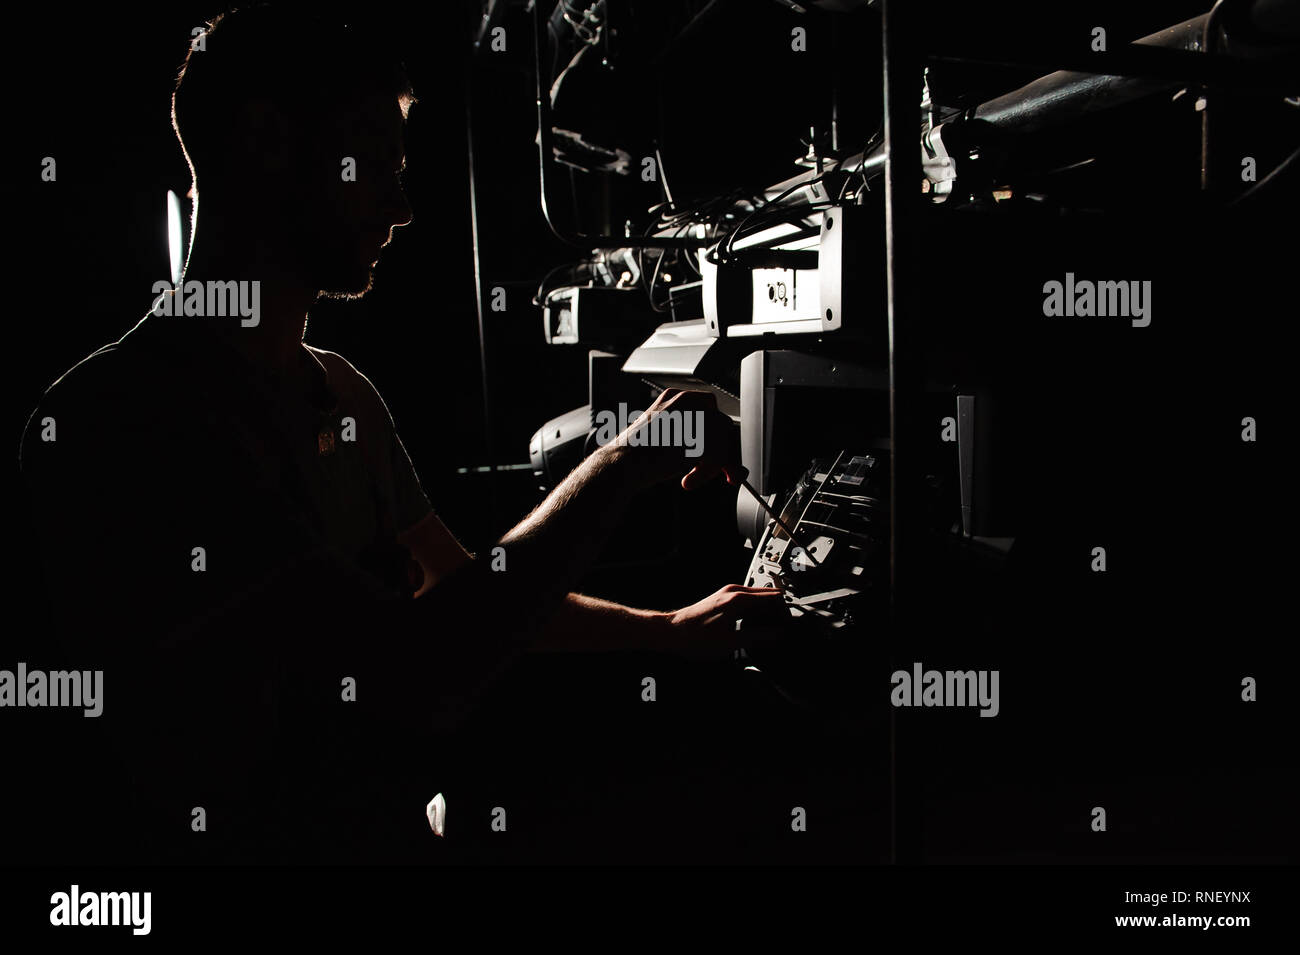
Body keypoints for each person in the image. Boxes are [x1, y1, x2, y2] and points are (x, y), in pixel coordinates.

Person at [19, 4, 788, 863]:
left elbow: (470, 591)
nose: (403, 203)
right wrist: (622, 463)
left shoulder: (342, 392)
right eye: (375, 163)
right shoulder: (124, 420)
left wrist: (669, 628)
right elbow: (418, 668)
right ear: (267, 141)